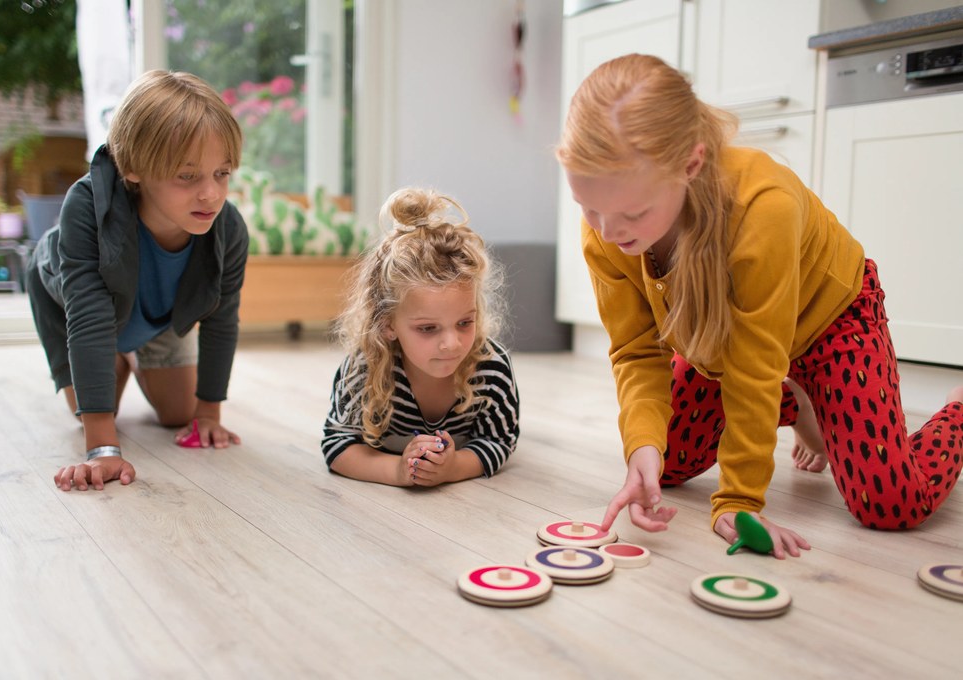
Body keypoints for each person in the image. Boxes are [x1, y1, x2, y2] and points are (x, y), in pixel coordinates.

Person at [556, 54, 963, 558]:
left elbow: (754, 364)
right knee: (669, 461)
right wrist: (640, 449)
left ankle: (957, 408)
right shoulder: (605, 230)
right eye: (587, 207)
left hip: (831, 322)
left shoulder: (764, 205)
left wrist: (738, 500)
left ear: (691, 165)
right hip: (727, 343)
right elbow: (638, 352)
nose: (607, 232)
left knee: (891, 502)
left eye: (632, 213)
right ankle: (799, 401)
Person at [27, 70, 249, 492]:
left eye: (221, 174)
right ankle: (116, 356)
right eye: (187, 176)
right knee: (92, 408)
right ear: (132, 168)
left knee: (178, 414)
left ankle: (129, 355)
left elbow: (222, 319)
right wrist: (102, 449)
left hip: (159, 312)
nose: (211, 195)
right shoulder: (86, 207)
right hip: (79, 306)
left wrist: (209, 414)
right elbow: (89, 319)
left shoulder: (228, 228)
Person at [321, 187, 520, 486]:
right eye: (428, 328)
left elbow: (499, 441)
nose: (452, 343)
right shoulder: (365, 369)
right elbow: (338, 445)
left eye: (465, 322)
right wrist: (398, 470)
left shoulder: (491, 367)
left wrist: (455, 467)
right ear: (387, 324)